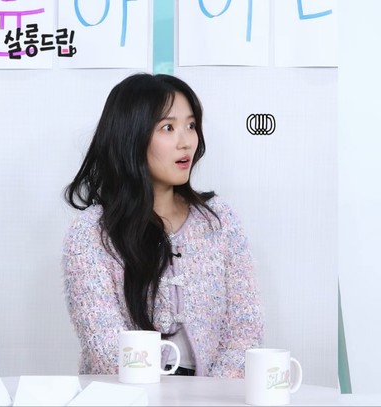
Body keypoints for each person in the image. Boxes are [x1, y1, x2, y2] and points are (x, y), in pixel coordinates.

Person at [62, 73, 263, 378]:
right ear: (131, 136)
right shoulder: (91, 233)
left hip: (214, 393)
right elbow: (104, 347)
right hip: (127, 393)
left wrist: (212, 392)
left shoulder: (219, 220)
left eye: (191, 126)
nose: (186, 142)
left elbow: (246, 325)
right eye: (168, 128)